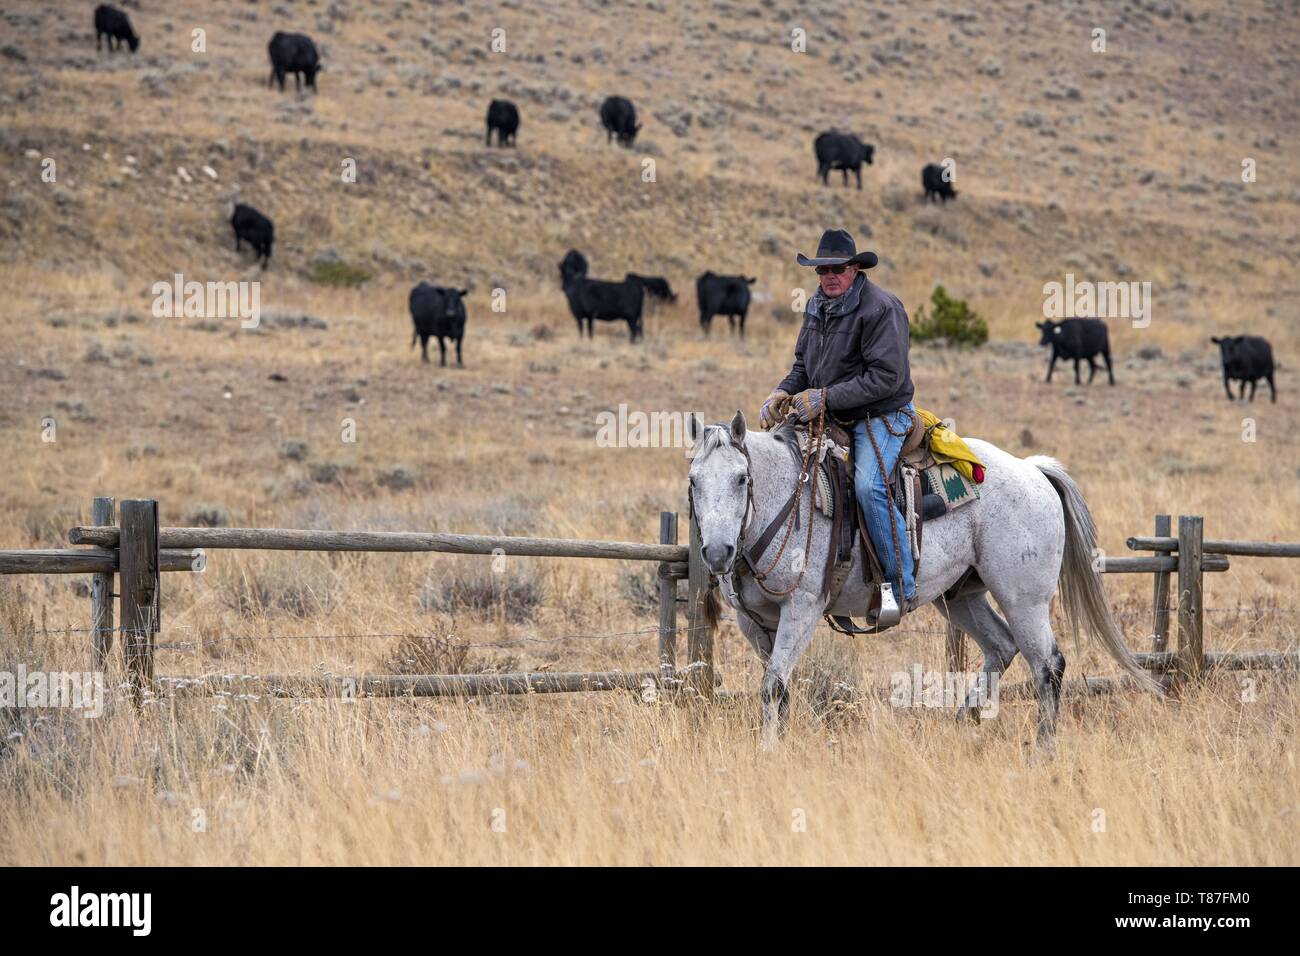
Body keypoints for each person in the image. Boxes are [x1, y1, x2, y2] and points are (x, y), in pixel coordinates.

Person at [759, 229, 917, 612]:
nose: (829, 276)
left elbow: (886, 378)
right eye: (822, 269)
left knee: (868, 487)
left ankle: (901, 586)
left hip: (881, 414)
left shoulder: (881, 308)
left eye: (837, 268)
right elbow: (803, 365)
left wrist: (824, 397)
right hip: (830, 413)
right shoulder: (817, 306)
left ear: (855, 268)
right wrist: (782, 391)